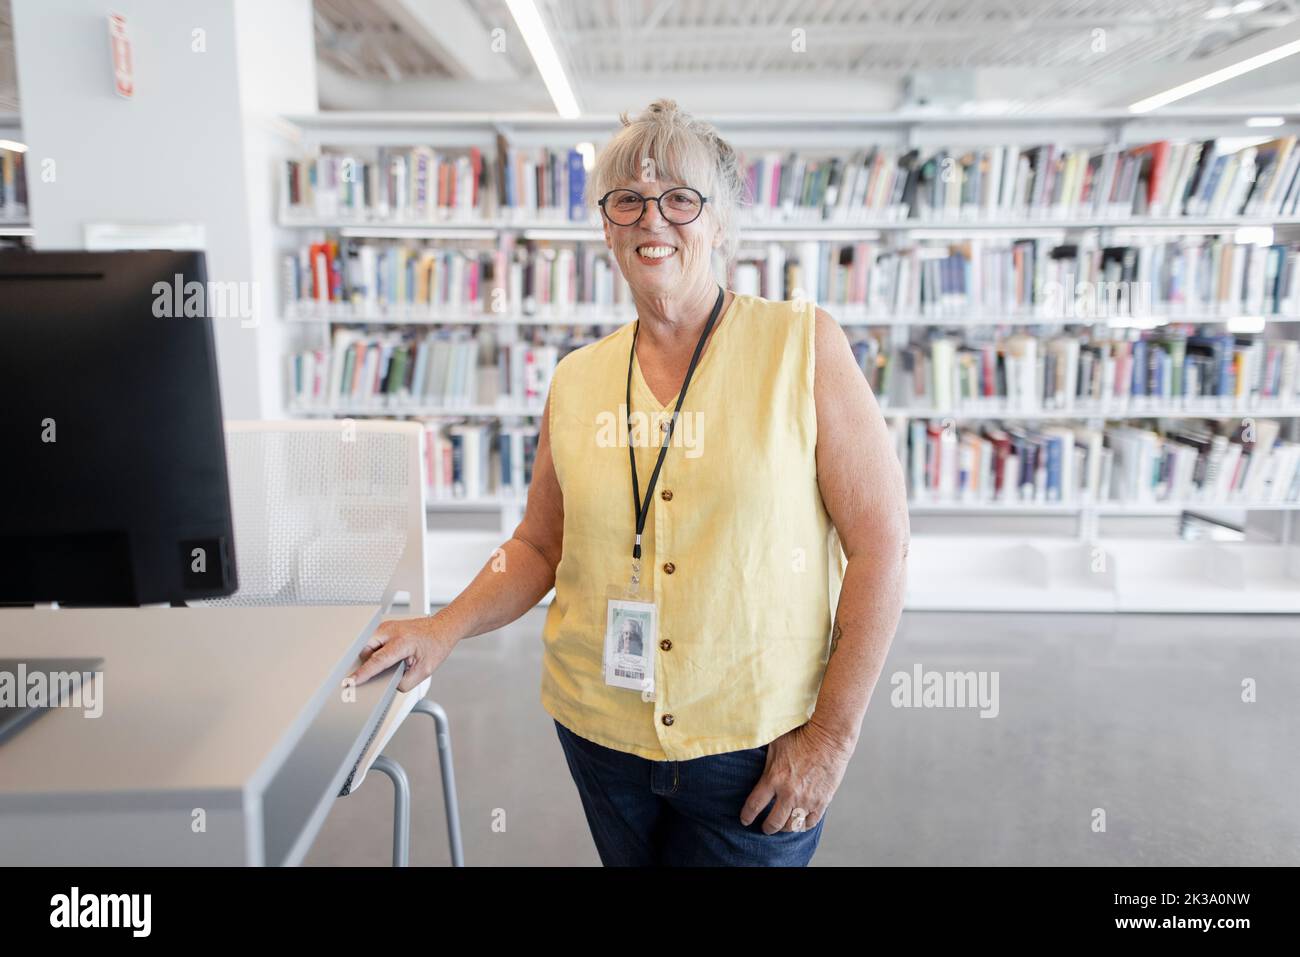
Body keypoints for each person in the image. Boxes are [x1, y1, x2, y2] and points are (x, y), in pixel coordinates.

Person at [350, 99, 910, 866]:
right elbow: (538, 545)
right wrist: (441, 627)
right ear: (607, 228)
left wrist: (831, 739)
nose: (653, 220)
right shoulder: (578, 378)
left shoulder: (802, 346)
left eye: (680, 198)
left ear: (719, 222)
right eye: (628, 200)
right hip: (600, 732)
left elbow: (882, 547)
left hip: (752, 745)